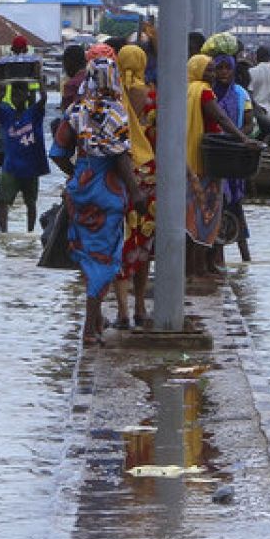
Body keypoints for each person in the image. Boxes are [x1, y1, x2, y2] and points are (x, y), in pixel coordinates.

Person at [49, 46, 144, 347]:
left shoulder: (76, 111)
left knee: (87, 254)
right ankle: (90, 328)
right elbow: (121, 158)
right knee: (105, 258)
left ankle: (96, 317)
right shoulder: (116, 112)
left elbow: (57, 152)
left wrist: (77, 174)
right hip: (108, 192)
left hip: (81, 190)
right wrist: (136, 192)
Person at [184, 53, 250, 274]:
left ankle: (190, 271)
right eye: (209, 70)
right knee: (205, 219)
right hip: (205, 164)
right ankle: (198, 270)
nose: (213, 75)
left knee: (189, 218)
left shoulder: (186, 89)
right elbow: (221, 118)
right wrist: (243, 138)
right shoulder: (204, 92)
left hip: (188, 162)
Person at [112, 43, 157, 328]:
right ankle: (141, 307)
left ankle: (122, 311)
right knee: (144, 244)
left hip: (120, 177)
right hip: (150, 178)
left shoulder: (113, 98)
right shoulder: (152, 99)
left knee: (121, 242)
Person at [0, 73, 49, 235]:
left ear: (26, 95)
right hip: (10, 167)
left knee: (30, 203)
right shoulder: (7, 114)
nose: (15, 97)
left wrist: (39, 80)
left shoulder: (34, 113)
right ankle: (3, 233)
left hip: (30, 168)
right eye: (13, 94)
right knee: (1, 201)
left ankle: (30, 234)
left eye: (19, 94)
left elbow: (44, 98)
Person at [208, 50, 256, 262]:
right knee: (216, 206)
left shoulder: (241, 94)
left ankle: (245, 261)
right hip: (213, 154)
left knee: (234, 205)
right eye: (219, 68)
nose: (224, 72)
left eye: (228, 68)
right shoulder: (208, 93)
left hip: (233, 156)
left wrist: (236, 137)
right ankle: (217, 260)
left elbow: (249, 123)